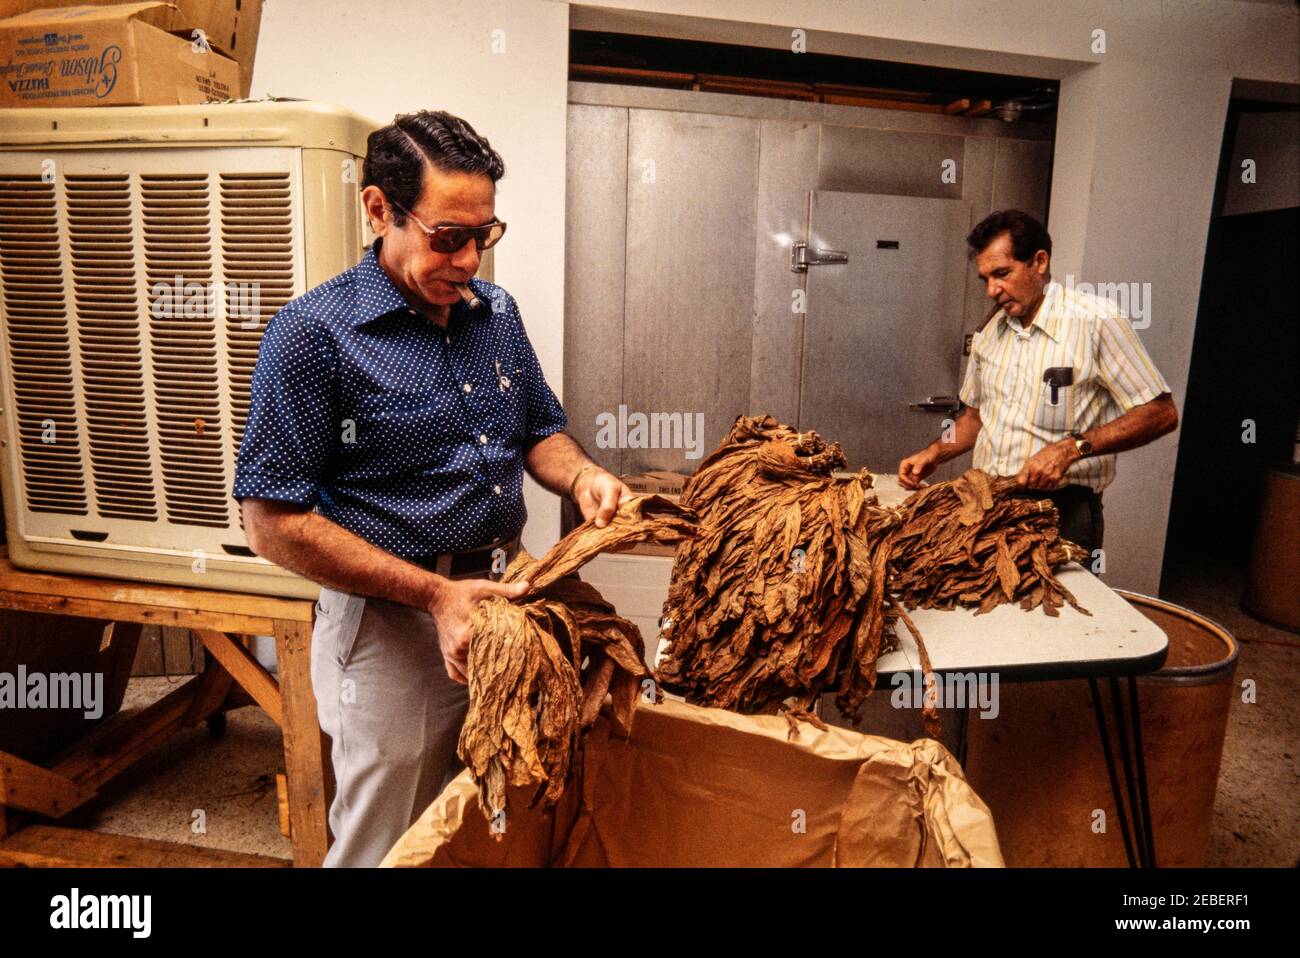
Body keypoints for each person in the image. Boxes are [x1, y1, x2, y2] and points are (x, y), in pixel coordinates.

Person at [232, 110, 630, 866]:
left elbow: (538, 428)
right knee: (392, 846)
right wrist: (436, 597)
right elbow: (273, 522)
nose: (471, 259)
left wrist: (582, 475)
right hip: (392, 633)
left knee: (487, 824)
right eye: (449, 236)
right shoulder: (313, 336)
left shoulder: (497, 315)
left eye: (486, 234)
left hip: (506, 607)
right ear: (380, 209)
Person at [897, 209, 1178, 556]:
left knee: (1056, 610)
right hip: (989, 505)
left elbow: (1161, 413)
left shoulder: (1095, 321)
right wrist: (934, 453)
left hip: (1063, 513)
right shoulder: (989, 333)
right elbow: (975, 419)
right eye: (985, 279)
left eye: (1001, 273)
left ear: (1039, 262)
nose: (992, 290)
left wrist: (1071, 449)